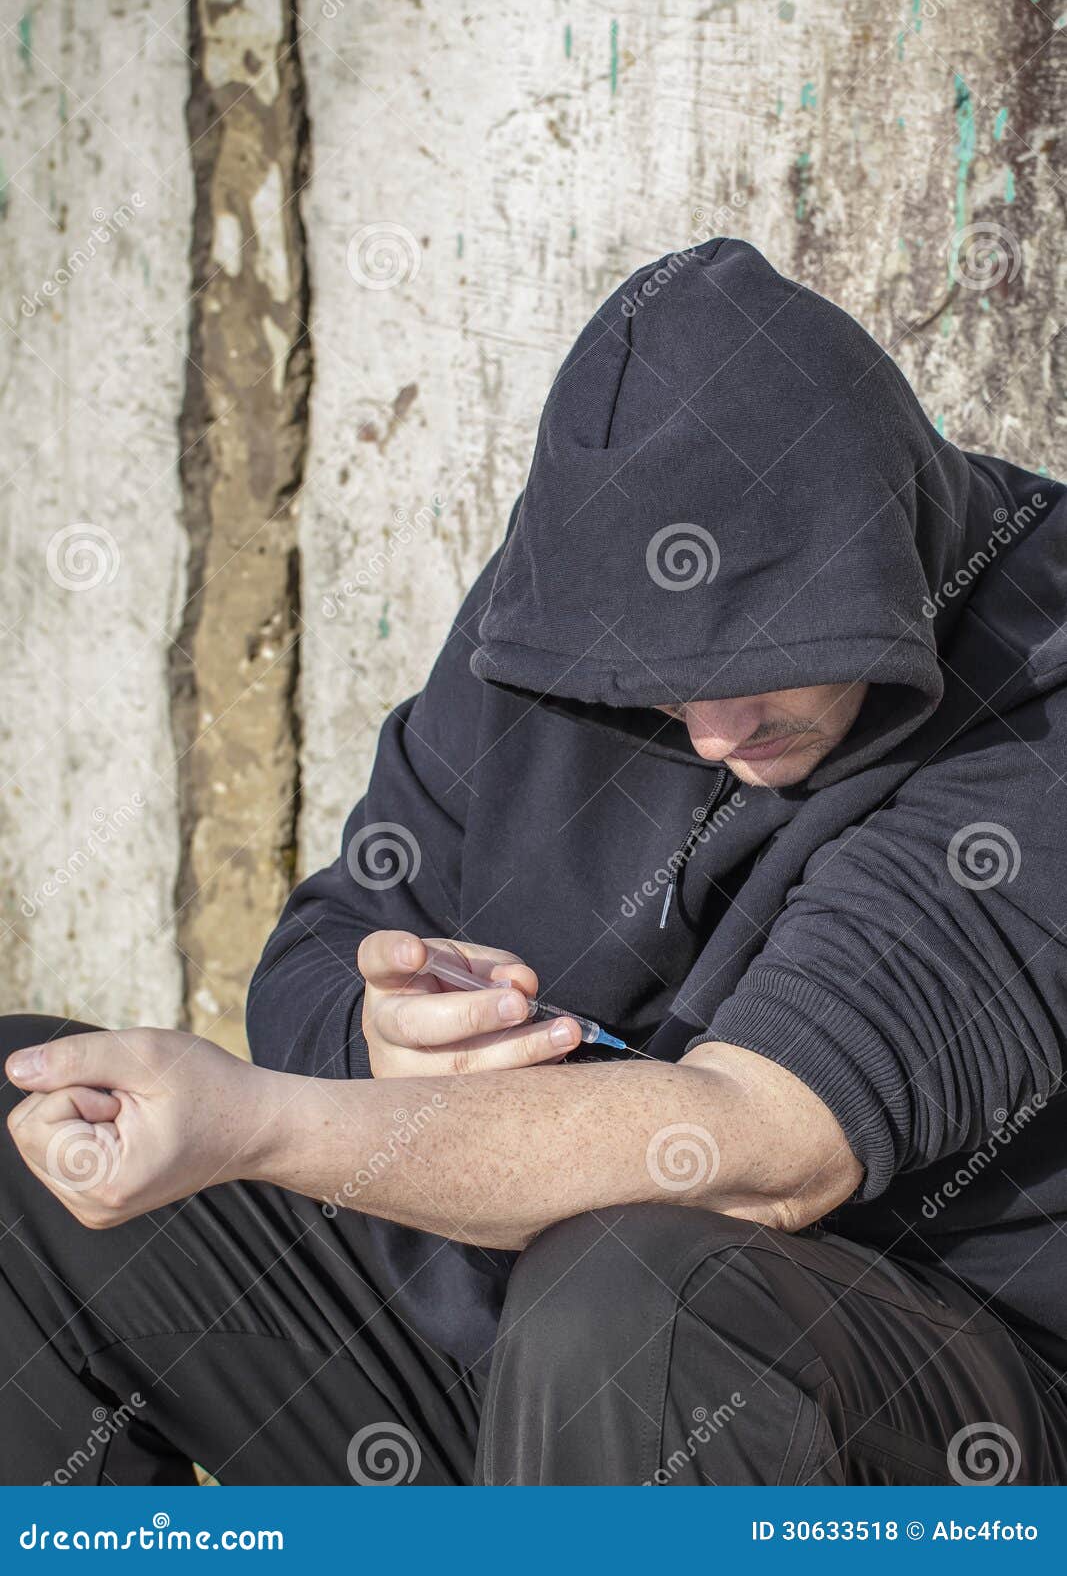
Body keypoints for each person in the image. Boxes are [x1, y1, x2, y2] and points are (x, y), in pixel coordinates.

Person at [3, 238, 1067, 1487]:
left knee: (635, 1293)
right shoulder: (569, 615)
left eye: (766, 662)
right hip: (517, 1367)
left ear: (873, 545)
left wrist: (266, 1123)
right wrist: (375, 1040)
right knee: (25, 1137)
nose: (715, 734)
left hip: (906, 1410)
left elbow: (759, 1143)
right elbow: (331, 930)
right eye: (666, 696)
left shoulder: (1035, 699)